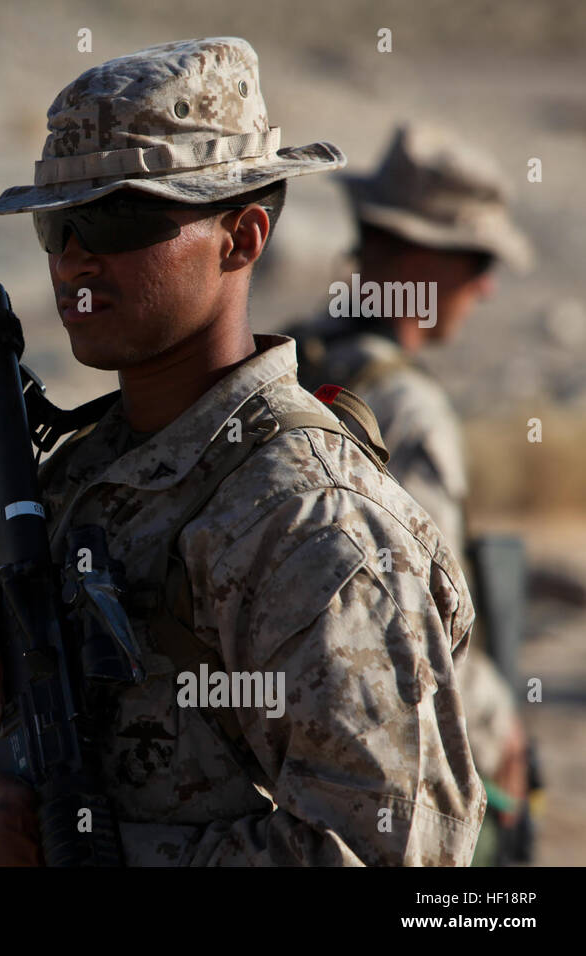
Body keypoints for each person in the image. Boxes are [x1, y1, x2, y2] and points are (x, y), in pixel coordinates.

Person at [0, 38, 485, 865]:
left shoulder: (315, 523)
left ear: (243, 236)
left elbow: (389, 852)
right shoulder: (85, 477)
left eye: (122, 217)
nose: (78, 256)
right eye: (60, 225)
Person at [283, 124, 535, 864]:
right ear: (425, 258)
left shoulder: (287, 361)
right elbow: (433, 618)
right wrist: (498, 733)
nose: (487, 287)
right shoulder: (407, 409)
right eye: (479, 262)